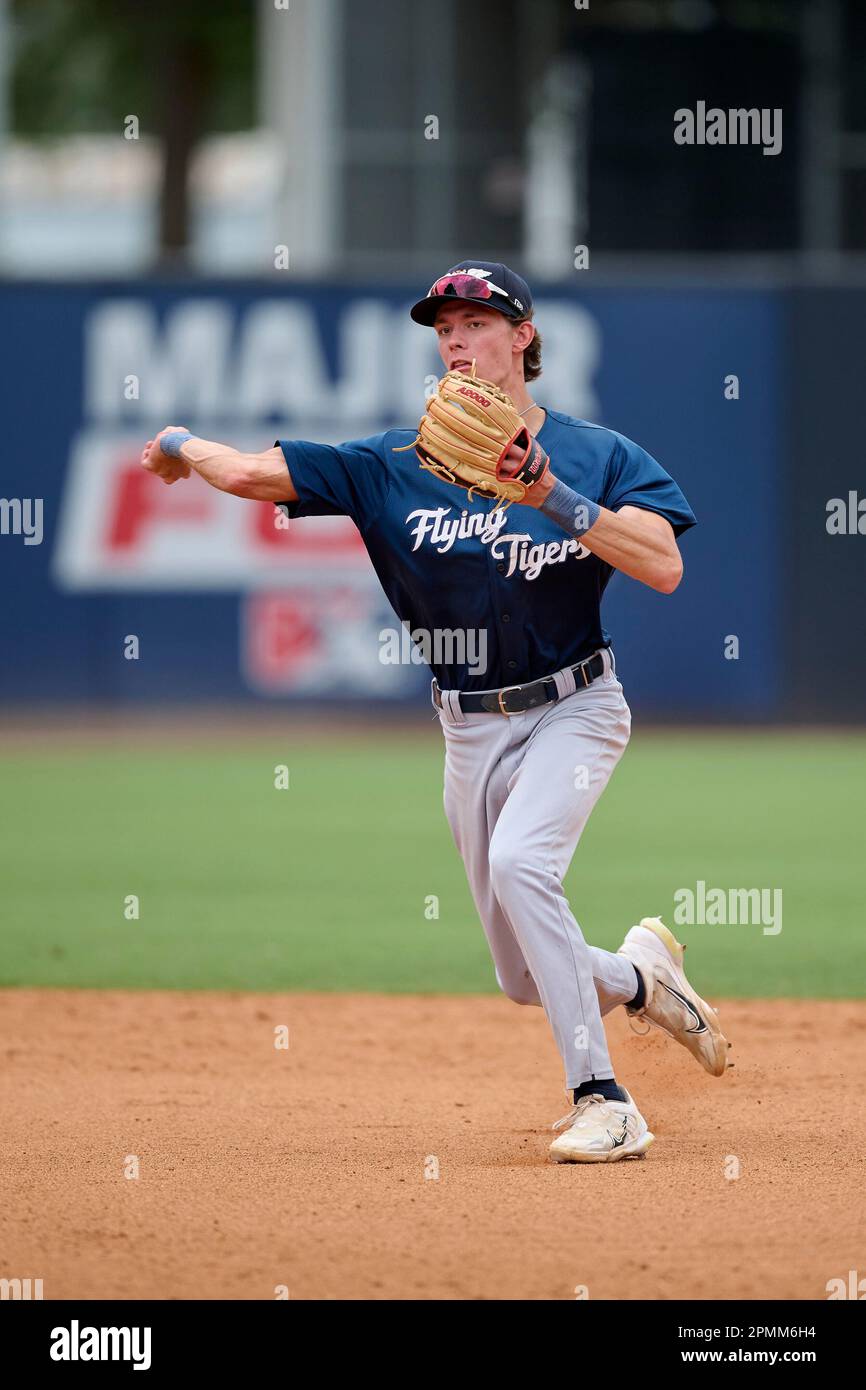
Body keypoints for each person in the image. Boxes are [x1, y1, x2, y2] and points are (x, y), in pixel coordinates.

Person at [141, 261, 730, 1164]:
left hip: (575, 705)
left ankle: (604, 1100)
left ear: (522, 337)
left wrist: (551, 497)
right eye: (443, 329)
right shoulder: (391, 465)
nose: (455, 342)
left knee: (522, 862)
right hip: (466, 726)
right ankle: (643, 980)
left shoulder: (594, 452)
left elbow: (662, 563)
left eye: (475, 324)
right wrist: (183, 440)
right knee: (523, 977)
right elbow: (258, 474)